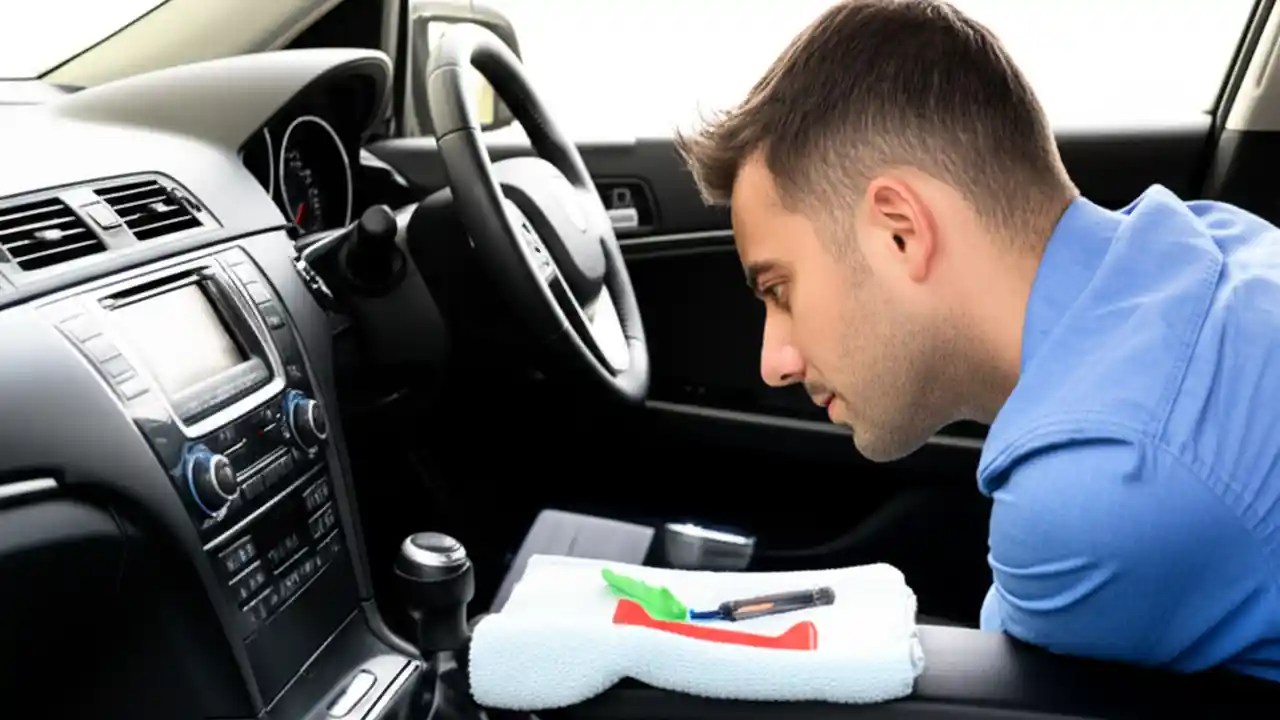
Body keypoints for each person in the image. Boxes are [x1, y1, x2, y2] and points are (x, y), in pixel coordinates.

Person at [673, 0, 1280, 682]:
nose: (773, 362)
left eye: (779, 291)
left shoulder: (1100, 486)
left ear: (900, 230)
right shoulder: (1218, 245)